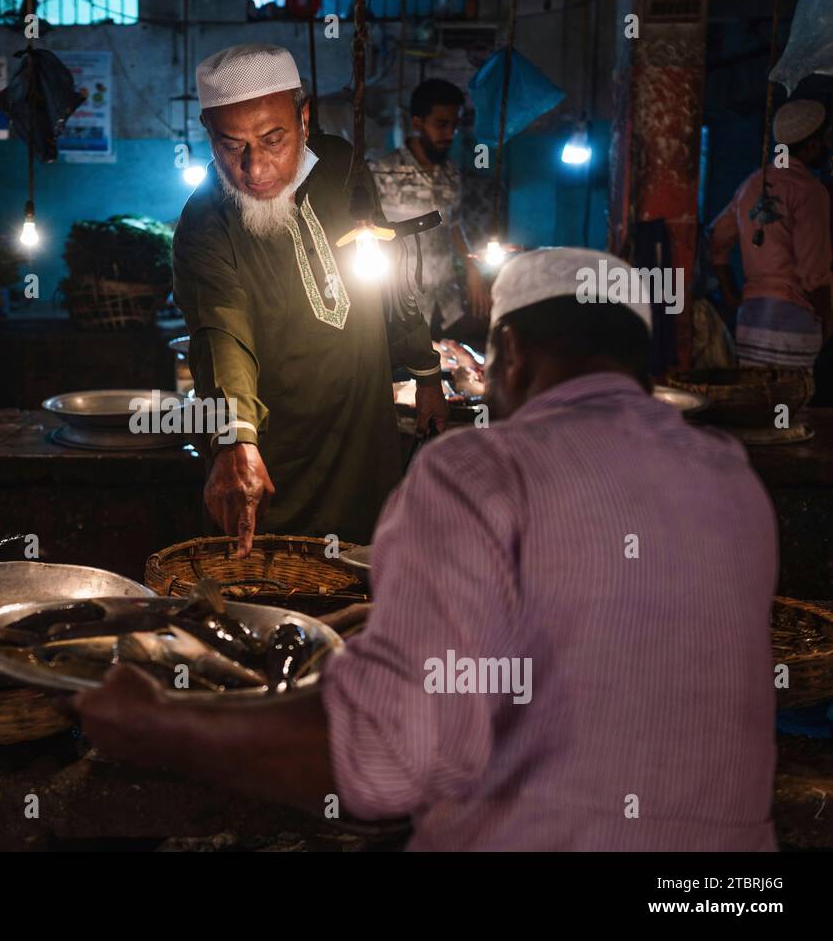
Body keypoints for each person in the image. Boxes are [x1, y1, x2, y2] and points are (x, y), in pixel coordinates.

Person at [72, 246, 778, 851]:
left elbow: (386, 756)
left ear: (511, 356)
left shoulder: (477, 470)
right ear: (639, 371)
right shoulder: (731, 480)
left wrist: (159, 726)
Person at [174, 44, 446, 557]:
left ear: (303, 117)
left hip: (366, 427)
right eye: (232, 146)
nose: (254, 169)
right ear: (209, 134)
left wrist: (426, 372)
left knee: (370, 577)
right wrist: (236, 440)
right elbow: (220, 332)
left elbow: (388, 269)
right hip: (280, 449)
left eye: (272, 140)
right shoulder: (206, 221)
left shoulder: (342, 164)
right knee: (278, 588)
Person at [709, 99, 832, 368]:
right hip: (793, 327)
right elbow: (815, 274)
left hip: (750, 323)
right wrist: (826, 324)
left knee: (758, 406)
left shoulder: (751, 184)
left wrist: (731, 293)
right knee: (789, 406)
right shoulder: (809, 191)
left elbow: (715, 236)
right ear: (811, 146)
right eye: (825, 140)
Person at [370, 79, 492, 337]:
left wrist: (472, 269)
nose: (450, 134)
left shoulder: (451, 174)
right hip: (400, 308)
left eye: (455, 126)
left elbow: (454, 225)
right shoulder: (381, 173)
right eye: (441, 124)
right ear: (417, 123)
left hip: (447, 304)